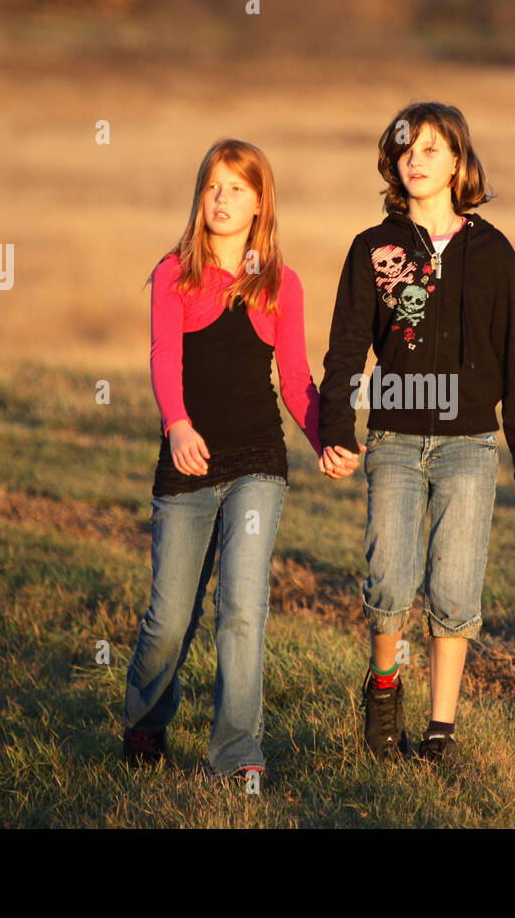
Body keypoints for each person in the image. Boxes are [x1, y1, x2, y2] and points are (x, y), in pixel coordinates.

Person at [318, 103, 515, 766]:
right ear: (392, 164)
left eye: (429, 149)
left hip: (469, 446)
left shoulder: (494, 252)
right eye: (404, 151)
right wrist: (337, 427)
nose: (415, 160)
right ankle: (384, 689)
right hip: (392, 437)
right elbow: (344, 350)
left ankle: (440, 732)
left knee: (453, 592)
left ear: (458, 161)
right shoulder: (373, 249)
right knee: (390, 582)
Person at [122, 138, 321, 781]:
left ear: (261, 202)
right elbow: (163, 359)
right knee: (169, 617)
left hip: (258, 461)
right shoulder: (173, 274)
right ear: (199, 197)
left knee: (242, 606)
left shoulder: (280, 285)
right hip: (187, 463)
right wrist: (176, 425)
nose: (223, 198)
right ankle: (147, 722)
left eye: (237, 187)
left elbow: (295, 380)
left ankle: (237, 756)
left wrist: (329, 440)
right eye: (213, 186)